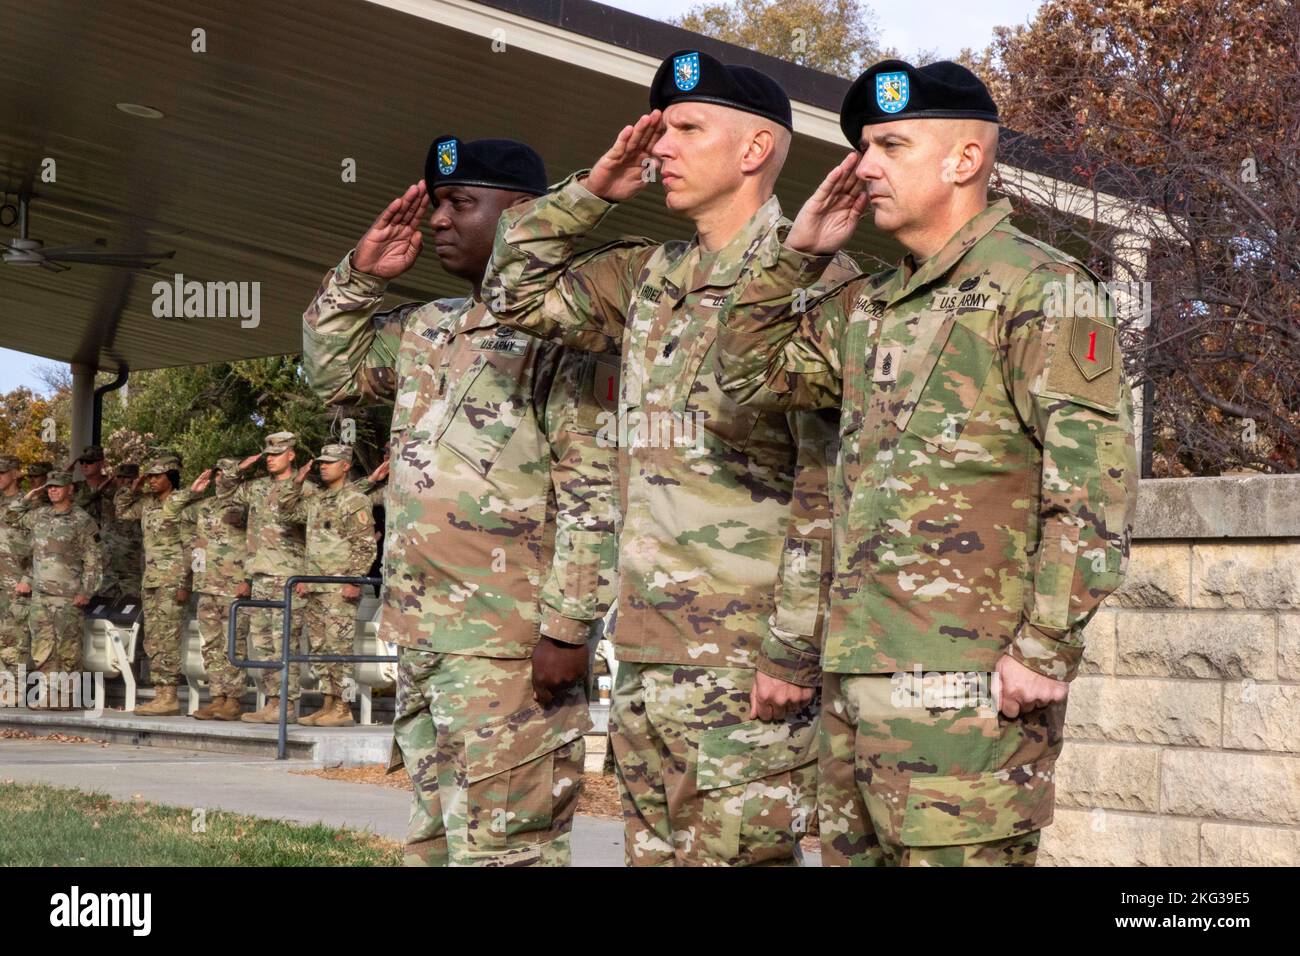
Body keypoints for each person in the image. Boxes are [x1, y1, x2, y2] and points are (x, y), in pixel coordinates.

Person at [714, 59, 1139, 866]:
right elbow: (742, 374)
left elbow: (1093, 485)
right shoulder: (866, 306)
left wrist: (1046, 647)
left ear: (964, 160)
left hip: (968, 694)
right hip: (854, 691)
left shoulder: (1040, 289)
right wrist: (795, 257)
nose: (863, 167)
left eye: (890, 146)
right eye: (862, 147)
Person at [482, 49, 856, 866]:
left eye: (688, 129)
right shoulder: (649, 276)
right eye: (662, 130)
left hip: (748, 661)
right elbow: (509, 290)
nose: (662, 148)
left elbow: (825, 484)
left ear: (755, 150)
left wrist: (793, 650)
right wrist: (590, 193)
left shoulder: (818, 281)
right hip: (648, 655)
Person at [302, 135, 619, 866]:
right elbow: (330, 373)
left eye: (460, 203)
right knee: (433, 843)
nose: (438, 220)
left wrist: (568, 630)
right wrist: (359, 276)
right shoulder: (427, 325)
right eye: (436, 204)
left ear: (523, 215)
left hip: (507, 648)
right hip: (423, 637)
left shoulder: (570, 333)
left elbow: (594, 492)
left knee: (507, 851)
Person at [278, 444, 376, 727]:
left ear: (345, 466)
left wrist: (353, 579)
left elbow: (365, 544)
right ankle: (328, 703)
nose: (323, 466)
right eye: (321, 462)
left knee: (339, 649)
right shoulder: (317, 499)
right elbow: (286, 512)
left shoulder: (354, 499)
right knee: (319, 649)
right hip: (315, 585)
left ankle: (344, 707)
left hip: (338, 588)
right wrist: (296, 482)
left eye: (330, 462)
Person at [230, 432, 311, 724]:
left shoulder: (305, 489)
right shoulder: (256, 488)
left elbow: (315, 534)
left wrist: (308, 576)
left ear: (291, 454)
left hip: (288, 576)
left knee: (284, 644)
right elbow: (225, 492)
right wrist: (239, 469)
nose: (269, 460)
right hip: (260, 576)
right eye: (267, 455)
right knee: (262, 644)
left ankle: (287, 704)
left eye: (276, 454)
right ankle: (272, 700)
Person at [164, 458, 252, 721]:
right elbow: (169, 512)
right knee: (211, 645)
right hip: (207, 586)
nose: (219, 479)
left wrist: (248, 578)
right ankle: (217, 697)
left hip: (233, 587)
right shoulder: (203, 507)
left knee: (233, 644)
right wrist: (192, 492)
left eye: (226, 474)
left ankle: (234, 700)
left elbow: (258, 541)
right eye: (217, 474)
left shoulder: (245, 507)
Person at [9, 470, 100, 708]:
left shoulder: (82, 520)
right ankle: (49, 693)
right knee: (43, 648)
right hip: (40, 594)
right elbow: (11, 516)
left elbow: (94, 560)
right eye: (49, 487)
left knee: (68, 649)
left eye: (57, 486)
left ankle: (68, 695)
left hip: (68, 595)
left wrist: (86, 591)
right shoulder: (40, 515)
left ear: (70, 488)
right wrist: (28, 497)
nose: (52, 490)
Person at [114, 452, 192, 716]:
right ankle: (160, 694)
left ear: (171, 477)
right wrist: (130, 488)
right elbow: (123, 512)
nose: (152, 481)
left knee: (168, 637)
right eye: (150, 477)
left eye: (157, 476)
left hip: (172, 579)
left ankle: (169, 696)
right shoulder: (147, 503)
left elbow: (189, 546)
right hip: (151, 579)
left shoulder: (181, 504)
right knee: (154, 637)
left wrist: (184, 582)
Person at [0, 456, 33, 688]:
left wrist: (28, 576)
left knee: (15, 637)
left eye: (2, 472)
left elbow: (41, 545)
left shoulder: (28, 503)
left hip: (16, 580)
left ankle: (13, 689)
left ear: (15, 473)